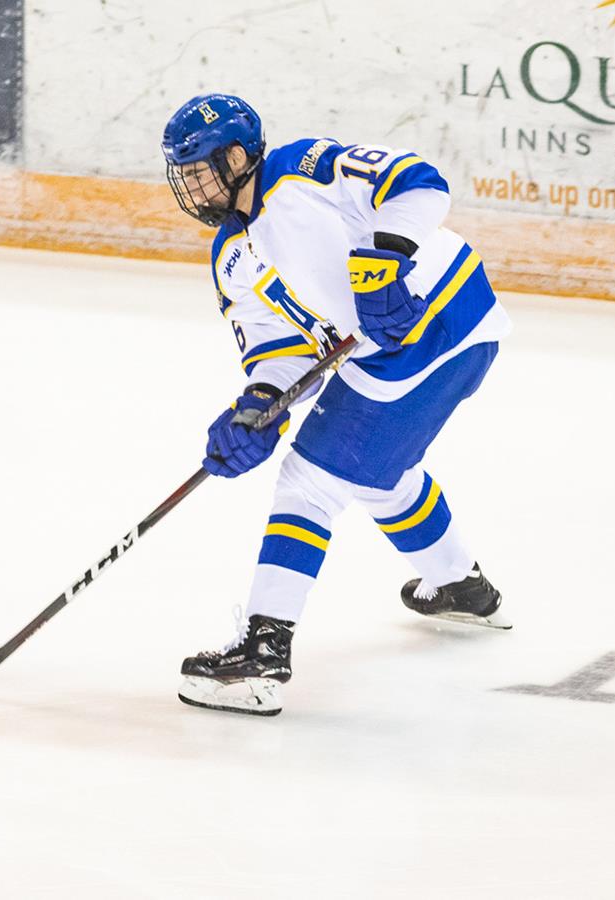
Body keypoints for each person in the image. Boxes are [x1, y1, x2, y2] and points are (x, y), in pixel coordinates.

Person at [159, 93, 513, 716]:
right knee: (379, 474)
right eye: (182, 176)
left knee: (311, 480)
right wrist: (261, 402)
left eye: (199, 171)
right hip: (420, 348)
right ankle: (462, 585)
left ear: (238, 156)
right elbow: (279, 345)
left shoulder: (303, 167)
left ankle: (263, 652)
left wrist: (387, 255)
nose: (191, 188)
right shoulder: (230, 259)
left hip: (437, 318)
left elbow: (421, 184)